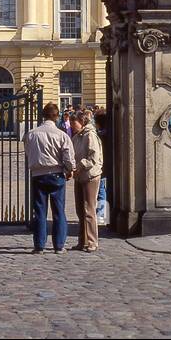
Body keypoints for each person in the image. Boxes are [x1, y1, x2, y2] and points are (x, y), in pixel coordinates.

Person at [24, 102, 76, 253]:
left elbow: (28, 151)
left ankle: (39, 245)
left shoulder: (32, 134)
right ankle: (59, 245)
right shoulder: (62, 135)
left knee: (40, 211)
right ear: (57, 116)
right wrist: (70, 169)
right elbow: (68, 156)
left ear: (43, 115)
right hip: (56, 174)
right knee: (59, 211)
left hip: (38, 175)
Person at [70, 108, 104, 253]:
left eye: (74, 123)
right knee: (79, 210)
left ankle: (92, 241)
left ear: (82, 122)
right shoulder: (76, 137)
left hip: (90, 175)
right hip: (79, 176)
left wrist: (79, 166)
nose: (72, 126)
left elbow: (93, 157)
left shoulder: (90, 135)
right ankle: (82, 240)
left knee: (89, 209)